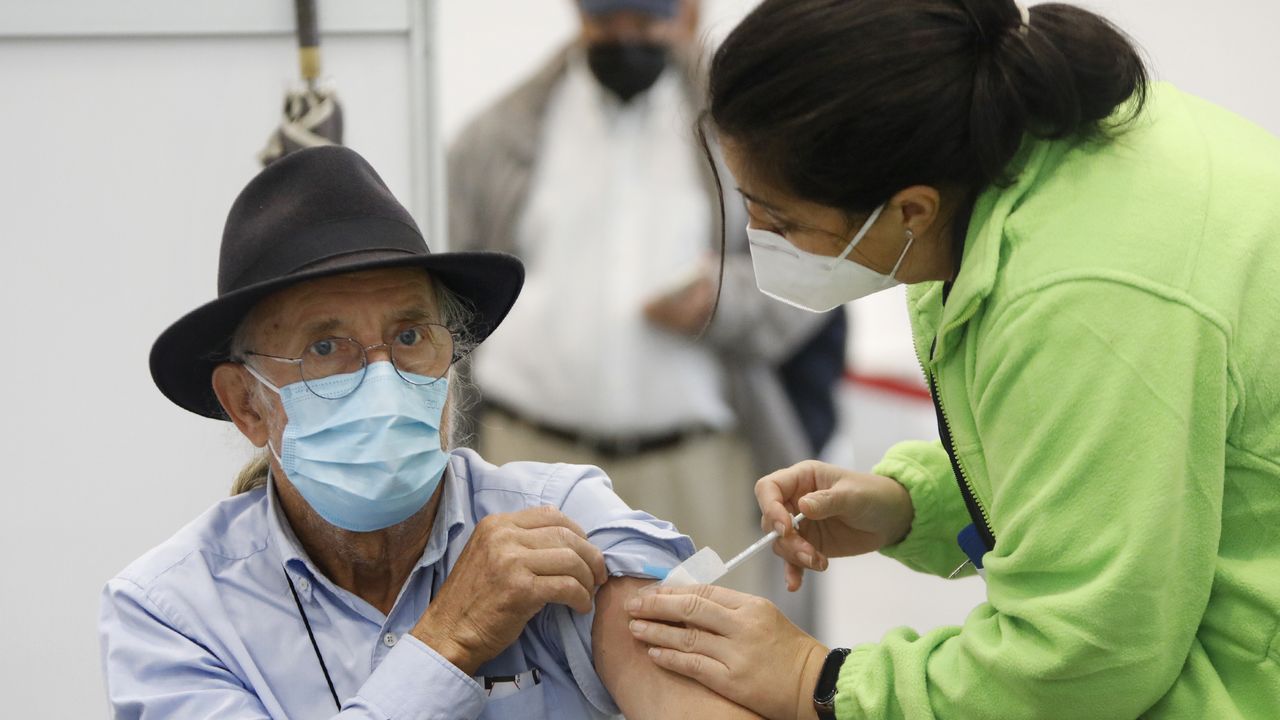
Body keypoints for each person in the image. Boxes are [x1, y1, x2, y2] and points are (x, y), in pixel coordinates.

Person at [622, 1, 1280, 718]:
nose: (761, 238)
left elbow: (1085, 657)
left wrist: (817, 677)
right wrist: (917, 506)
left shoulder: (1084, 295)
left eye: (783, 221)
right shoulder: (1010, 167)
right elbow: (1140, 457)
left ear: (910, 210)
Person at [98, 146, 766, 719]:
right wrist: (449, 641)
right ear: (247, 404)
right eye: (326, 346)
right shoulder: (171, 613)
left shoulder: (557, 518)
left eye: (410, 335)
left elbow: (688, 690)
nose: (383, 379)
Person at [448, 0, 846, 606]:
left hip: (698, 469)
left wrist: (721, 299)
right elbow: (450, 297)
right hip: (527, 466)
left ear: (685, 13)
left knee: (708, 673)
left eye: (644, 19)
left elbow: (818, 275)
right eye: (607, 20)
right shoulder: (498, 135)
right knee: (534, 679)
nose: (625, 37)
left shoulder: (746, 129)